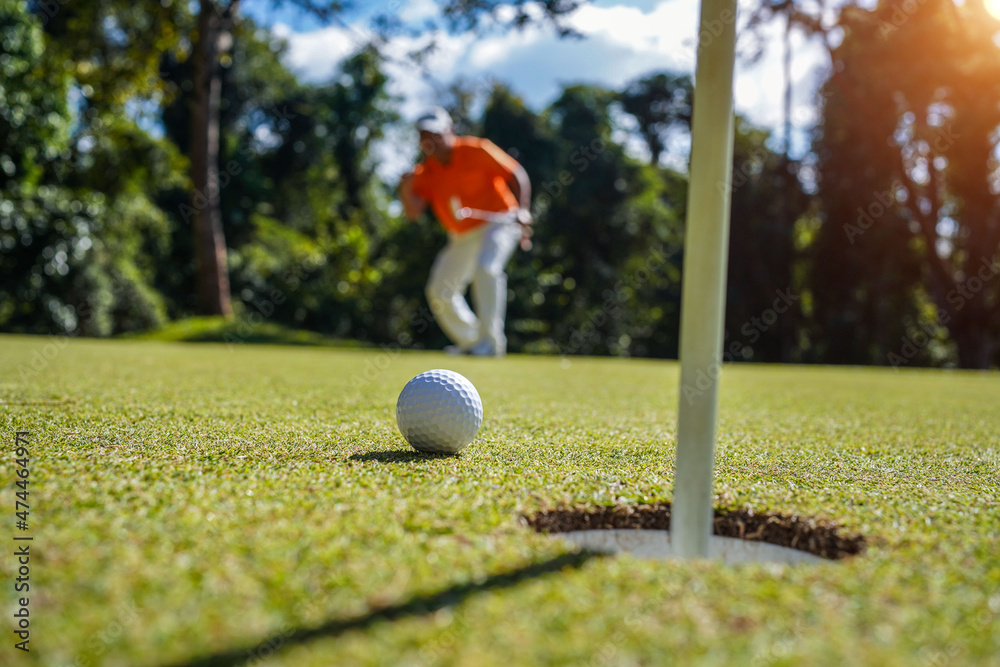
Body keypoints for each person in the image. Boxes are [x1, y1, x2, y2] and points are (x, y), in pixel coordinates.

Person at [399, 107, 533, 357]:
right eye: (425, 135)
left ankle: (492, 344)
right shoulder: (424, 173)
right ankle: (472, 341)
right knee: (439, 291)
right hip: (461, 236)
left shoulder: (477, 149)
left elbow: (516, 173)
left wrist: (523, 210)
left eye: (436, 133)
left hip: (499, 222)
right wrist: (406, 189)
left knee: (487, 268)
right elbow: (413, 213)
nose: (431, 140)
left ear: (449, 131)